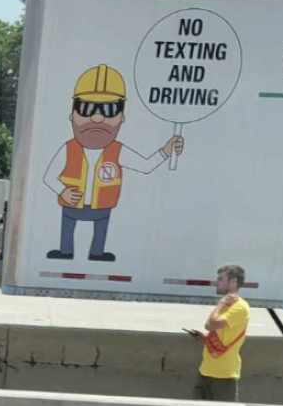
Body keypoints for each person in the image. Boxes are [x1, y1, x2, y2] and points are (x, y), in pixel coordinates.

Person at [42, 64, 184, 262]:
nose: (97, 117)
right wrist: (62, 191)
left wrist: (166, 152)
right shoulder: (68, 148)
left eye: (109, 110)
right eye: (86, 108)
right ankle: (66, 251)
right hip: (72, 204)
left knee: (100, 230)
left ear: (122, 118)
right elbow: (48, 176)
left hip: (102, 205)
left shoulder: (117, 150)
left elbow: (144, 166)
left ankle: (96, 253)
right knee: (68, 227)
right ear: (72, 115)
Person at [189, 265, 251, 402]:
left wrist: (222, 302)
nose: (217, 282)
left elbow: (209, 325)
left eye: (220, 279)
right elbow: (221, 334)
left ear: (233, 281)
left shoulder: (240, 307)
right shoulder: (226, 305)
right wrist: (205, 338)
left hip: (224, 376)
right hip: (205, 372)